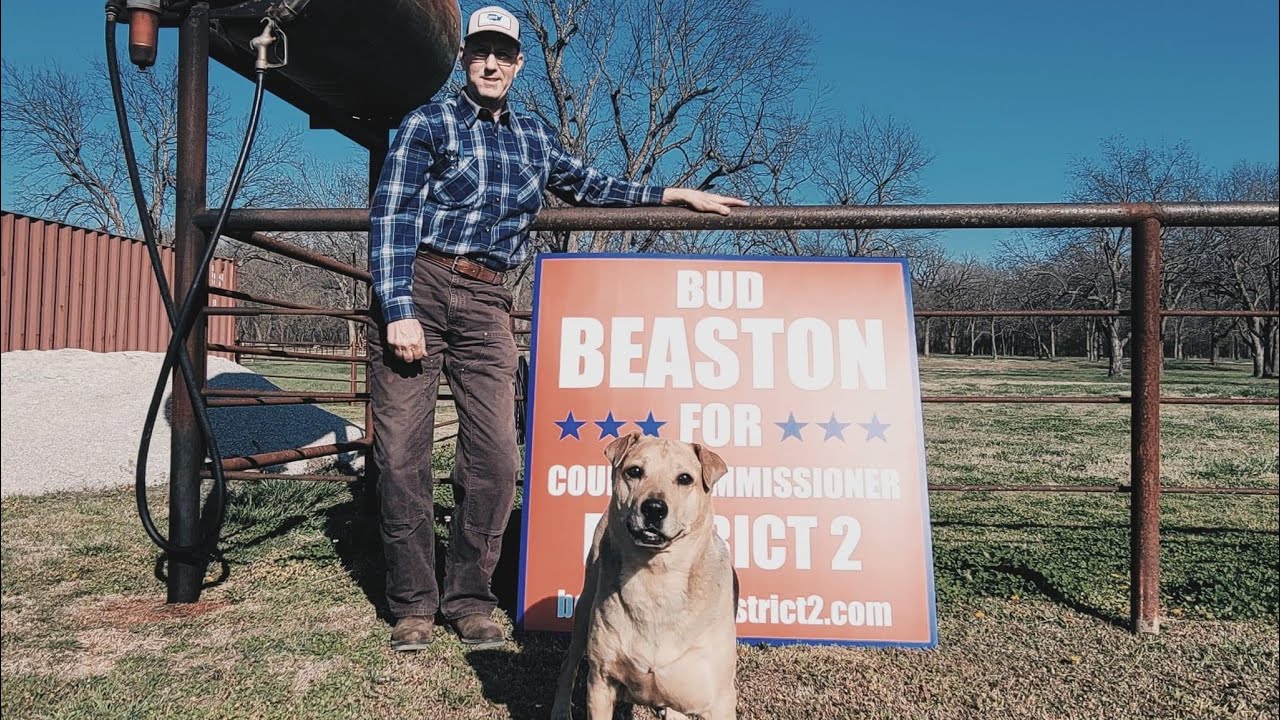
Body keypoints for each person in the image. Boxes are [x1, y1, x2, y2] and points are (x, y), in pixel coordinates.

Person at [368, 4, 745, 652]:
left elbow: (592, 185)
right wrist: (397, 306)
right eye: (479, 51)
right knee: (402, 457)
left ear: (517, 65)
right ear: (465, 60)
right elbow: (393, 211)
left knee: (496, 460)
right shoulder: (426, 124)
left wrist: (671, 195)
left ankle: (469, 598)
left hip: (489, 299)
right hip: (422, 286)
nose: (490, 62)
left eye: (502, 54)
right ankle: (413, 605)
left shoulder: (534, 138)